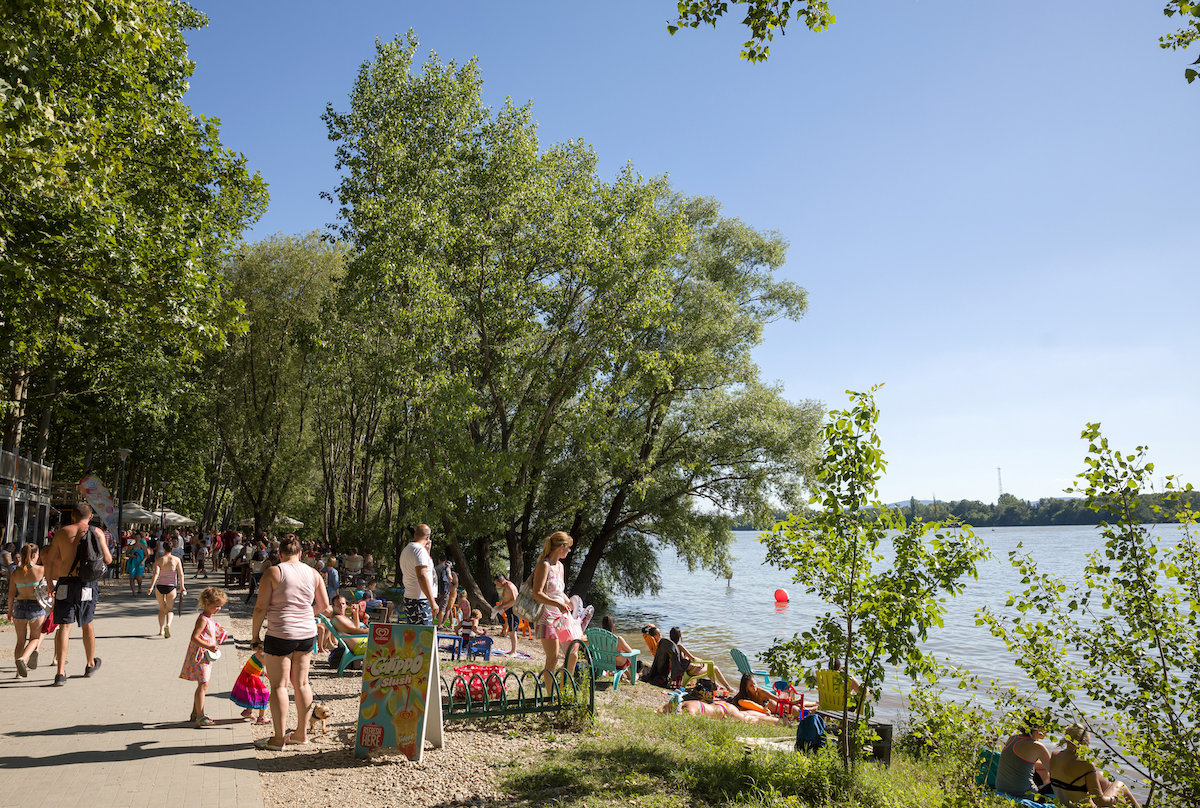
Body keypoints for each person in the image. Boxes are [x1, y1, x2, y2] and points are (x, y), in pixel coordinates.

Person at [251, 533, 330, 751]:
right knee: (302, 683)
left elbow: (260, 607)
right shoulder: (313, 573)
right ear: (301, 553)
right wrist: (306, 613)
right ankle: (301, 734)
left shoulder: (274, 572)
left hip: (280, 633)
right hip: (306, 634)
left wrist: (255, 636)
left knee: (279, 685)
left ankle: (278, 739)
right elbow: (323, 605)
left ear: (280, 553)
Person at [43, 502, 112, 686]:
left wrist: (50, 583)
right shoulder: (96, 532)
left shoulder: (62, 533)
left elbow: (49, 561)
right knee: (87, 623)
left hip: (65, 582)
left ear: (72, 516)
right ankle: (90, 664)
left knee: (64, 627)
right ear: (90, 517)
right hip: (87, 584)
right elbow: (108, 559)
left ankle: (60, 673)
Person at [532, 531, 581, 687]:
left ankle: (562, 690)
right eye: (568, 548)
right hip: (546, 617)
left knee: (573, 653)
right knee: (552, 658)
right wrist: (558, 604)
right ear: (561, 547)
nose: (569, 551)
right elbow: (537, 594)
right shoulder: (544, 565)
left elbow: (558, 592)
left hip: (562, 618)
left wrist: (571, 603)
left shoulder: (560, 566)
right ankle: (550, 698)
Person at [1050, 723, 1141, 807]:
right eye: (1088, 743)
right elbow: (1099, 801)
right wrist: (1115, 799)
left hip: (1063, 805)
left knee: (1100, 776)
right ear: (1084, 742)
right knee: (1120, 785)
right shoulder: (1086, 764)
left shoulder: (1055, 755)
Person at [180, 587, 228, 728]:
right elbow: (194, 637)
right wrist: (209, 646)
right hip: (200, 656)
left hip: (205, 657)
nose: (218, 608)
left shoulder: (209, 618)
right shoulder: (203, 619)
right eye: (216, 606)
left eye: (220, 606)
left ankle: (195, 713)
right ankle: (200, 716)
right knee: (203, 684)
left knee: (203, 683)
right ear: (207, 603)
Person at [996, 709, 1055, 800]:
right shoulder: (1037, 746)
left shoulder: (1013, 738)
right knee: (1059, 783)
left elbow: (1020, 764)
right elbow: (1055, 772)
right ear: (1039, 728)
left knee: (1043, 770)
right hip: (1024, 794)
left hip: (1001, 788)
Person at [8, 543, 47, 677]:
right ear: (35, 555)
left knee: (20, 641)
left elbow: (11, 594)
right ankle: (23, 659)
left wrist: (9, 612)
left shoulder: (15, 573)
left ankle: (18, 672)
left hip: (19, 606)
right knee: (35, 638)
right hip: (35, 606)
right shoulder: (41, 570)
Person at [670, 626, 733, 690]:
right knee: (714, 668)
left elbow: (680, 659)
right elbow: (692, 658)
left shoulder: (672, 647)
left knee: (707, 666)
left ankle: (716, 684)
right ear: (679, 635)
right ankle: (729, 688)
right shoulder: (679, 646)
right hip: (693, 671)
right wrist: (700, 662)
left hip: (686, 670)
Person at [399, 524, 439, 625]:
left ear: (415, 535)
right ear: (427, 537)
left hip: (414, 598)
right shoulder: (419, 550)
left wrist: (427, 551)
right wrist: (432, 602)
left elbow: (427, 569)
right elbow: (421, 576)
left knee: (418, 634)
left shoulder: (408, 549)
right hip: (420, 600)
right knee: (423, 636)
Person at [732, 672, 818, 718]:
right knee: (802, 709)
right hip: (778, 709)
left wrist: (793, 702)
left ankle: (816, 706)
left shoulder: (761, 691)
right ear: (746, 688)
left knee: (805, 711)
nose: (754, 687)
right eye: (751, 685)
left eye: (754, 683)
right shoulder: (743, 696)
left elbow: (778, 699)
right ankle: (815, 704)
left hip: (782, 707)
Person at [148, 543, 186, 637]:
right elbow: (181, 574)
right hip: (171, 587)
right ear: (172, 549)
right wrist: (182, 586)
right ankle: (168, 625)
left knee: (161, 609)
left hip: (160, 586)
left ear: (163, 549)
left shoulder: (159, 560)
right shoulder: (176, 560)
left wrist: (151, 587)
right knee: (169, 609)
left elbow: (156, 574)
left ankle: (161, 630)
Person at [231, 652, 271, 724]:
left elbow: (261, 670)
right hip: (250, 678)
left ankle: (248, 712)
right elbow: (269, 667)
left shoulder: (260, 653)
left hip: (246, 675)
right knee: (264, 694)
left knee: (252, 694)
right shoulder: (264, 655)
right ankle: (261, 718)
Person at [599, 615, 639, 684]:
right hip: (618, 664)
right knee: (627, 656)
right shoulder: (618, 639)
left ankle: (623, 676)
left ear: (602, 625)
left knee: (618, 654)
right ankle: (633, 678)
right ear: (613, 625)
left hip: (603, 662)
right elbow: (630, 651)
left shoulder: (598, 638)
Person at [491, 573, 520, 655]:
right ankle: (512, 650)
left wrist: (502, 606)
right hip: (509, 610)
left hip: (513, 610)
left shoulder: (509, 586)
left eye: (497, 584)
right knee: (511, 630)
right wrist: (501, 606)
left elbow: (514, 600)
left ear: (500, 581)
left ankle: (514, 651)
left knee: (513, 630)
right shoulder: (506, 586)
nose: (497, 586)